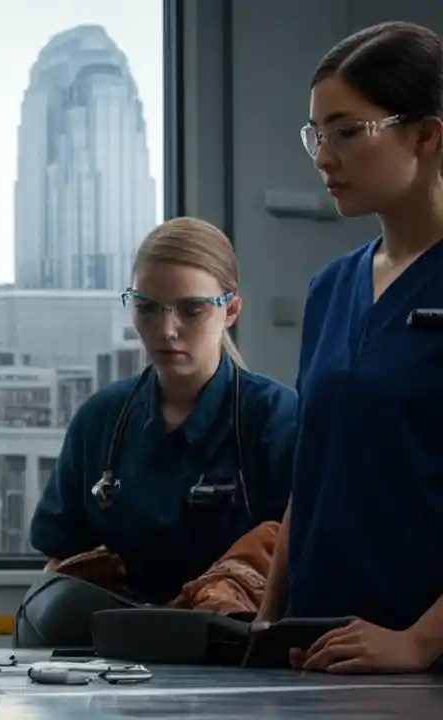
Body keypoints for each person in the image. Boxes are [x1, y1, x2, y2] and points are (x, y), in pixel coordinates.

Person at [256, 21, 443, 674]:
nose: (322, 158)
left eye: (346, 132)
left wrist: (420, 641)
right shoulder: (331, 288)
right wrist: (268, 621)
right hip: (317, 652)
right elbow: (312, 474)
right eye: (315, 134)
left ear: (427, 135)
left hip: (418, 664)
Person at [29, 218, 298, 606]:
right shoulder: (100, 420)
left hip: (230, 638)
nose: (167, 329)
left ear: (231, 309)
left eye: (192, 310)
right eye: (148, 307)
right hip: (114, 637)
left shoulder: (275, 417)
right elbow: (58, 563)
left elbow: (300, 555)